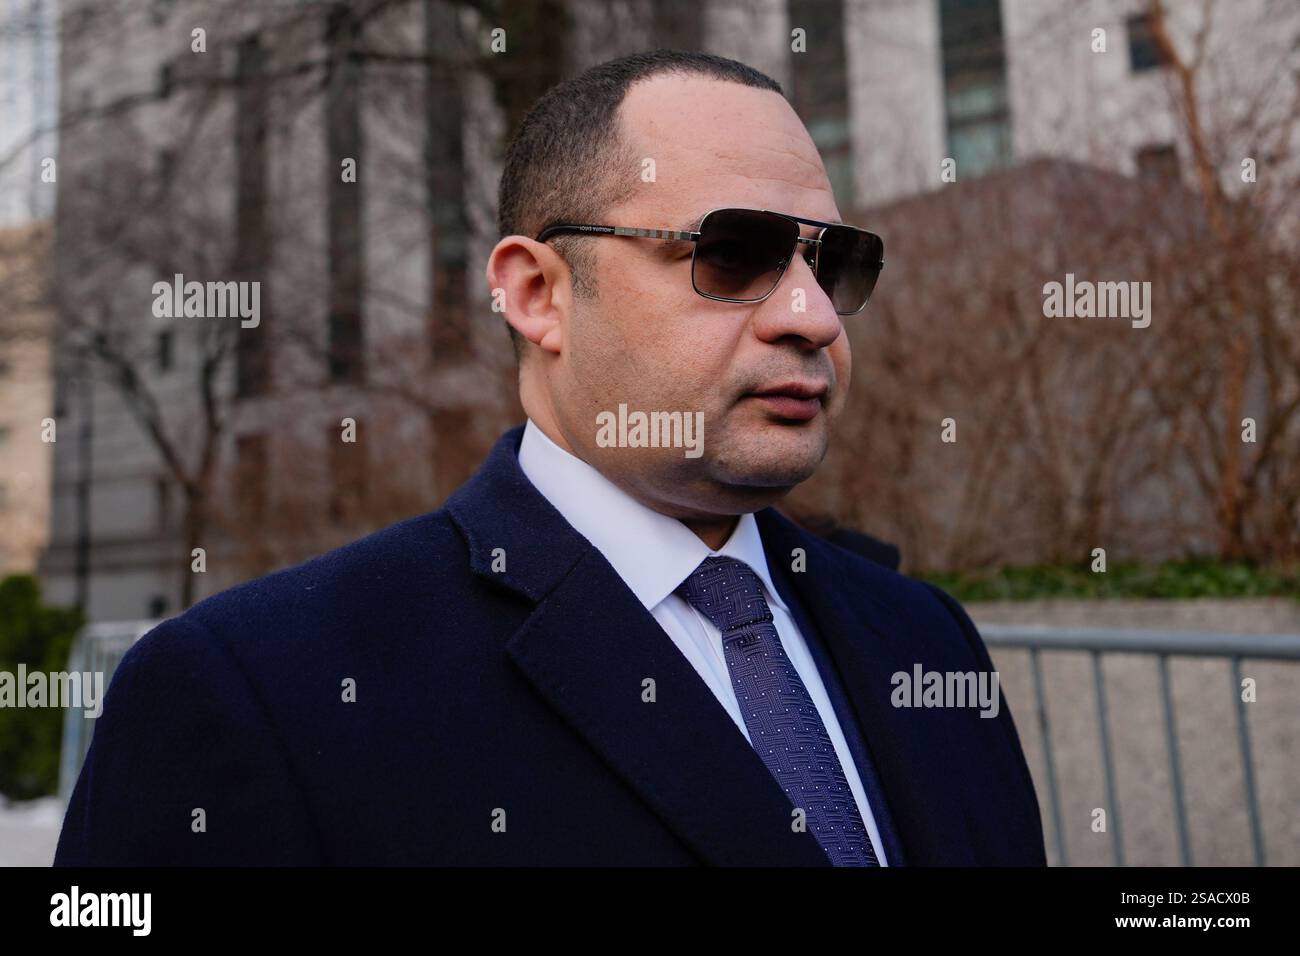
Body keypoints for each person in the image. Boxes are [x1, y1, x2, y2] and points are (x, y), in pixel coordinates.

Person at [55, 49, 1045, 866]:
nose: (812, 315)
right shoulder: (254, 692)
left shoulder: (923, 638)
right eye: (733, 254)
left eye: (832, 263)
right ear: (536, 293)